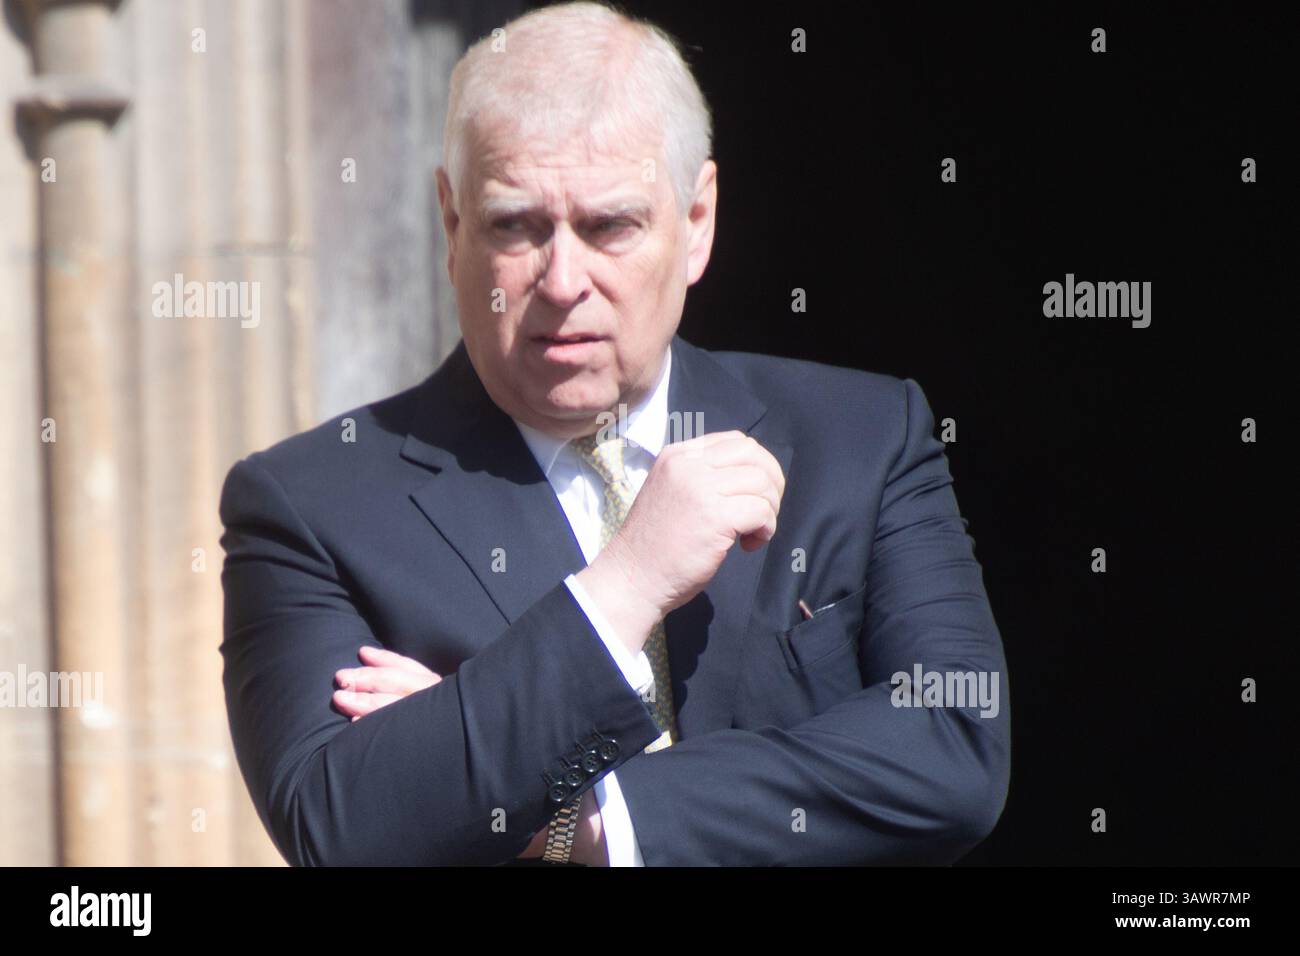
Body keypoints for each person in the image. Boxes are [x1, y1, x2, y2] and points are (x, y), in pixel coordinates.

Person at [219, 1, 1010, 866]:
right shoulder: (311, 504)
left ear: (697, 220)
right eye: (515, 225)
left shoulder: (861, 437)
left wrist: (582, 819)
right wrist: (627, 584)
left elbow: (956, 746)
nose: (563, 281)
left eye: (609, 226)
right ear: (451, 224)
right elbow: (343, 828)